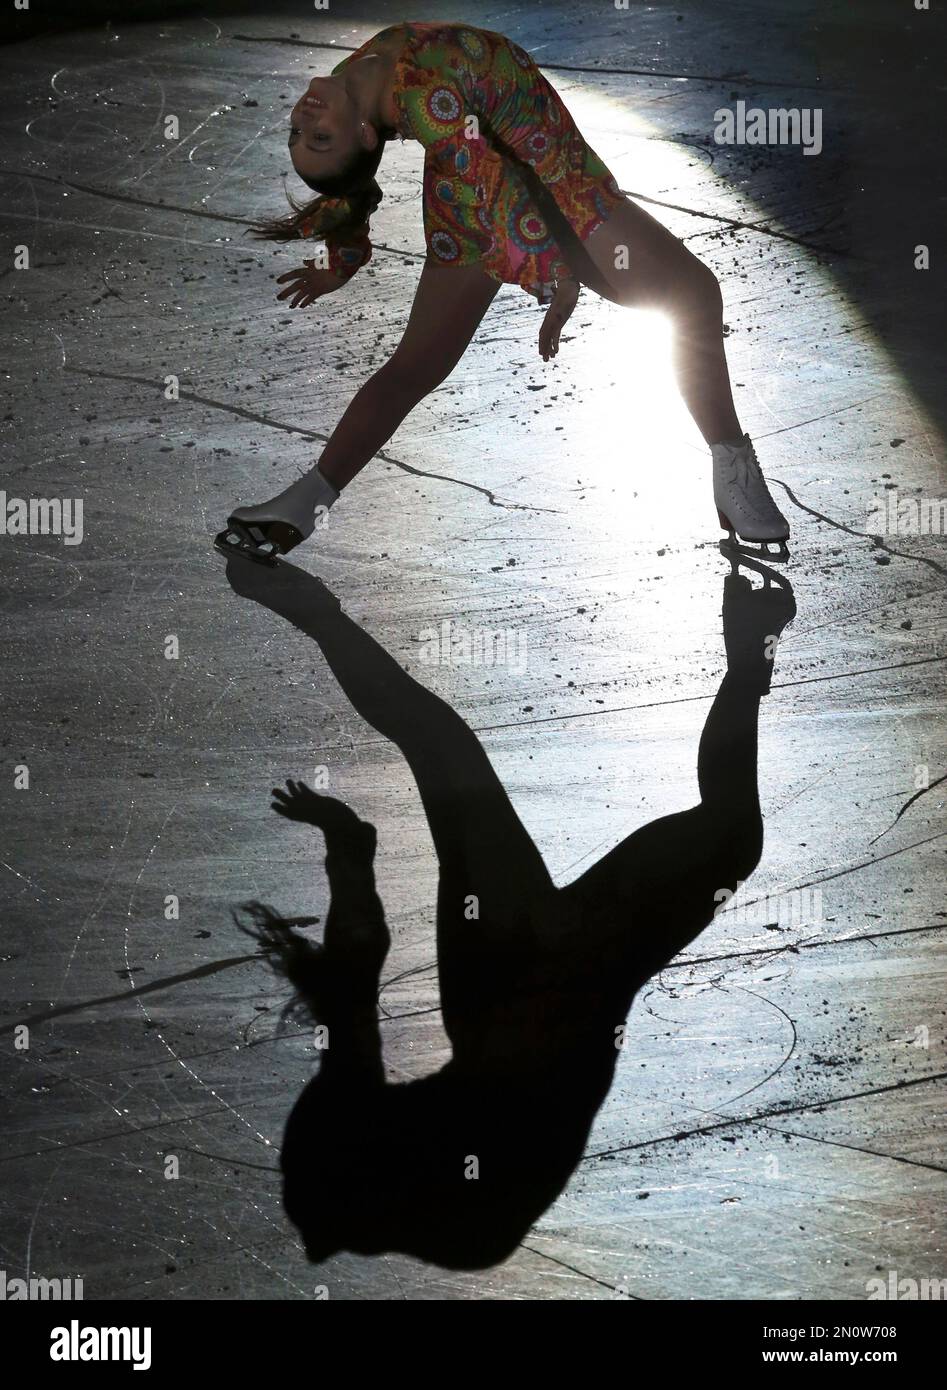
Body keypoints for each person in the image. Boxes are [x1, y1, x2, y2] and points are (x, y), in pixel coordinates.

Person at [227, 552, 796, 1268]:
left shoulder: (460, 1226)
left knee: (730, 834)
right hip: (515, 975)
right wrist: (348, 850)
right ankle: (748, 657)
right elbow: (351, 978)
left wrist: (349, 852)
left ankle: (748, 659)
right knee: (441, 750)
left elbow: (351, 980)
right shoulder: (464, 1224)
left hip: (556, 979)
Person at [217, 22, 790, 567]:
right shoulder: (419, 97)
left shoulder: (351, 77)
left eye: (304, 135)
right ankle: (733, 467)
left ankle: (301, 507)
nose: (306, 119)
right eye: (319, 137)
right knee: (694, 297)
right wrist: (554, 271)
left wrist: (341, 256)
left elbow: (364, 181)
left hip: (475, 198)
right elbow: (486, 178)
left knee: (416, 368)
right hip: (548, 187)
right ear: (365, 134)